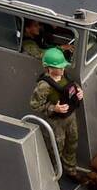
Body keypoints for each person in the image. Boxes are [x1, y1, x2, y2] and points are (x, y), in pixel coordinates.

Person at [28, 47, 85, 180]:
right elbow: (35, 105)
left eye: (63, 66)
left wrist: (79, 91)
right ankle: (53, 174)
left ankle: (71, 169)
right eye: (59, 67)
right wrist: (54, 108)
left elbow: (72, 85)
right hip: (56, 122)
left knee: (72, 142)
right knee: (55, 148)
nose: (62, 69)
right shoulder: (44, 86)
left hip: (70, 117)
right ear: (49, 68)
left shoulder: (64, 75)